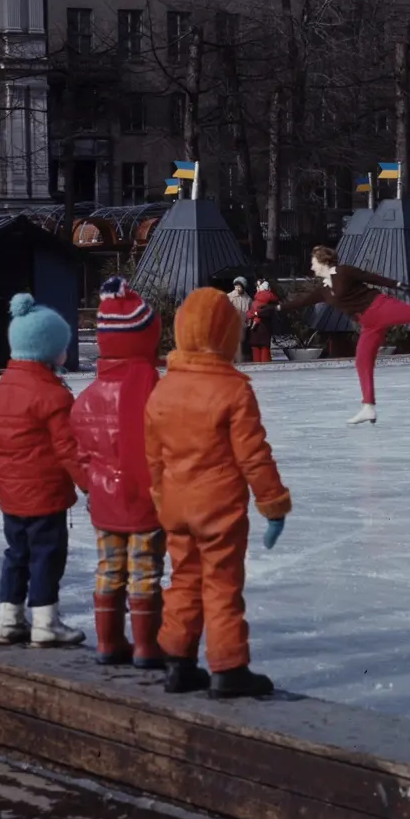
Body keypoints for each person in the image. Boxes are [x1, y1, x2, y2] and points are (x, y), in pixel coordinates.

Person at [144, 287, 291, 699]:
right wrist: (272, 503)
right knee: (222, 584)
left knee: (184, 579)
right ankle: (228, 668)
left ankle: (177, 661)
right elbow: (253, 456)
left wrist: (161, 501)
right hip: (218, 508)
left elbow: (153, 457)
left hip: (176, 506)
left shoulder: (163, 389)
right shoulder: (232, 391)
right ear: (228, 335)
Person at [69, 277, 166, 669]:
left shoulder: (87, 398)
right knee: (144, 574)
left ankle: (108, 643)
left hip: (106, 505)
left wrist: (90, 483)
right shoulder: (155, 391)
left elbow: (79, 453)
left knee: (109, 569)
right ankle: (145, 647)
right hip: (146, 502)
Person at [279, 245, 410, 424]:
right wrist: (275, 309)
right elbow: (300, 302)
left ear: (323, 260)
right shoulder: (324, 289)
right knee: (362, 360)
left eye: (313, 261)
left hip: (380, 307)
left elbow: (372, 278)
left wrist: (398, 285)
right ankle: (368, 407)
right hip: (368, 322)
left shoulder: (343, 271)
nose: (311, 266)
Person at [0, 293, 86, 649]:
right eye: (63, 348)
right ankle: (45, 622)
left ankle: (9, 619)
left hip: (12, 495)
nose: (66, 354)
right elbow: (68, 449)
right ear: (48, 351)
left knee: (17, 554)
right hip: (46, 495)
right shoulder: (54, 397)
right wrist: (90, 484)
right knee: (47, 555)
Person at [246, 279, 280, 363]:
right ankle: (265, 365)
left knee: (255, 347)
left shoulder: (256, 299)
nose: (256, 288)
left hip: (256, 327)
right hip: (266, 327)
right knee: (264, 347)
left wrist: (253, 314)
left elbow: (251, 313)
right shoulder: (272, 299)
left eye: (258, 286)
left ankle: (257, 365)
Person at [226, 276, 253, 363]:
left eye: (239, 286)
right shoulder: (230, 297)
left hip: (243, 324)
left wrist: (249, 321)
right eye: (236, 286)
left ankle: (240, 360)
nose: (237, 288)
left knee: (242, 342)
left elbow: (250, 311)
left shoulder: (248, 298)